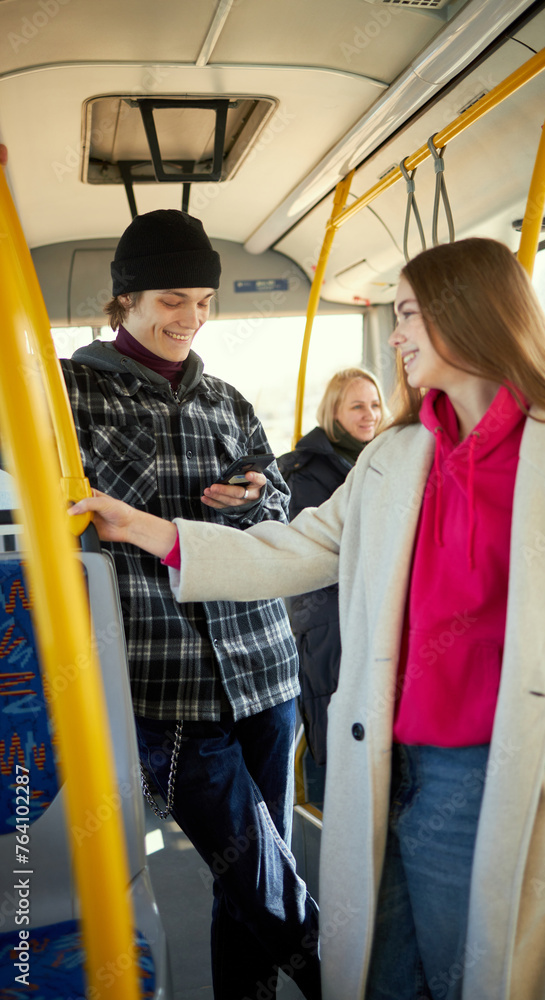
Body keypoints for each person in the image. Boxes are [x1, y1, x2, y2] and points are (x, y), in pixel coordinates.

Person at [69, 237, 545, 1000]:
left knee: (473, 976)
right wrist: (150, 530)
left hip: (492, 776)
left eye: (408, 315)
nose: (395, 337)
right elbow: (300, 545)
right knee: (380, 977)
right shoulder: (396, 455)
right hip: (378, 764)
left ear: (467, 315)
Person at [60, 209, 320, 1000]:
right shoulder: (70, 394)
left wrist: (252, 495)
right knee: (258, 871)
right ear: (126, 298)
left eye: (203, 301)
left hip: (264, 667)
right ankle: (348, 972)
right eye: (173, 299)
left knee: (251, 874)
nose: (192, 318)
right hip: (162, 676)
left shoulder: (227, 401)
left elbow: (275, 505)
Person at [278, 368, 385, 772]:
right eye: (357, 406)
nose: (369, 415)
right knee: (340, 739)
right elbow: (322, 550)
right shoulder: (306, 472)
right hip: (329, 619)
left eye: (375, 405)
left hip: (374, 613)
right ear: (333, 412)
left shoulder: (382, 460)